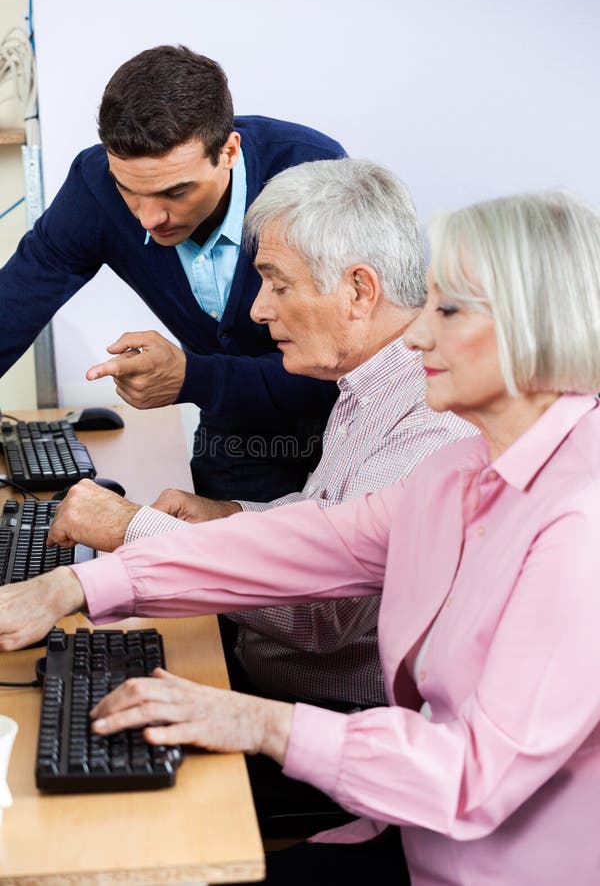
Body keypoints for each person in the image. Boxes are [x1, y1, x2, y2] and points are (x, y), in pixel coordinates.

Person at [3, 189, 600, 884]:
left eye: (446, 310)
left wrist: (258, 723)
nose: (414, 336)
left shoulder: (579, 522)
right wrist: (79, 582)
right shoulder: (465, 466)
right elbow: (311, 542)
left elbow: (472, 778)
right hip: (409, 829)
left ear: (533, 325)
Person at [44, 158, 475, 831]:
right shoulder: (371, 380)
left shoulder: (433, 420)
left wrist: (133, 529)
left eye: (277, 283)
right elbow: (323, 524)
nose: (257, 308)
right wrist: (228, 515)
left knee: (98, 815)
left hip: (332, 724)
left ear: (359, 289)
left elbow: (323, 615)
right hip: (272, 683)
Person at [0, 45, 345, 501]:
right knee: (217, 544)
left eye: (176, 193)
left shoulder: (312, 173)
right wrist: (198, 379)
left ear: (228, 151)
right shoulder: (94, 186)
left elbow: (340, 364)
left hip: (343, 420)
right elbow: (16, 299)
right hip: (235, 427)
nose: (149, 219)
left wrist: (192, 377)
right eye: (129, 190)